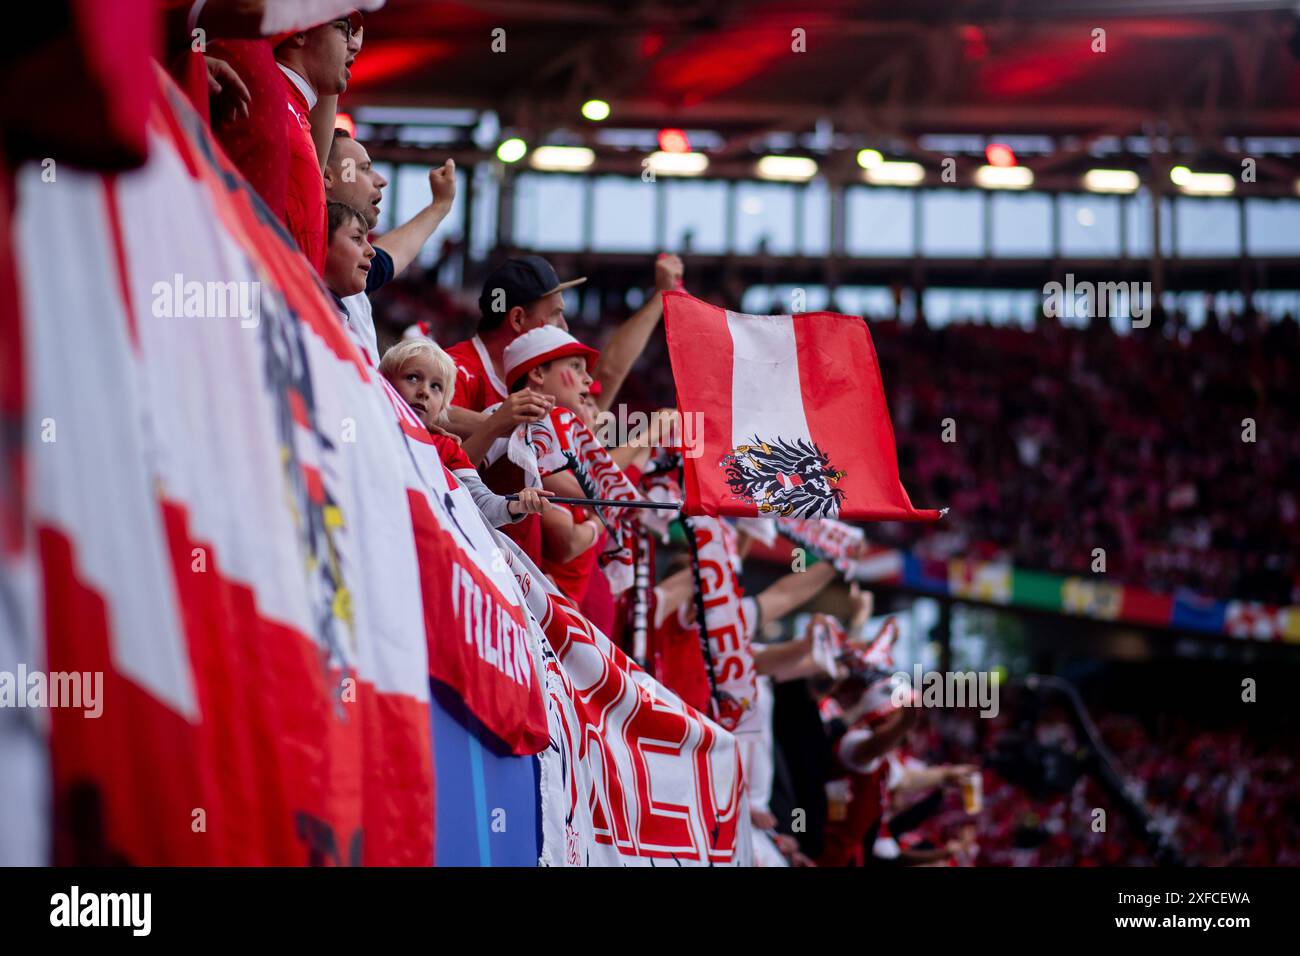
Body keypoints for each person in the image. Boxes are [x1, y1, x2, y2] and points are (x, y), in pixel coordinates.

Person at [212, 14, 362, 273]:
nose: (355, 45)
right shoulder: (261, 89)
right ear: (298, 31)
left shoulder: (298, 112)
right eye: (342, 29)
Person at [378, 339, 549, 528]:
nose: (424, 391)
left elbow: (478, 502)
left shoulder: (447, 447)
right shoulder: (364, 422)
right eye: (412, 378)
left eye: (436, 386)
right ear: (384, 381)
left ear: (443, 405)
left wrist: (515, 505)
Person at [323, 128, 457, 365]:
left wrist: (440, 206)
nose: (382, 180)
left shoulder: (348, 272)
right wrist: (330, 92)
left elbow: (389, 257)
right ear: (327, 175)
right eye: (364, 168)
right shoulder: (301, 248)